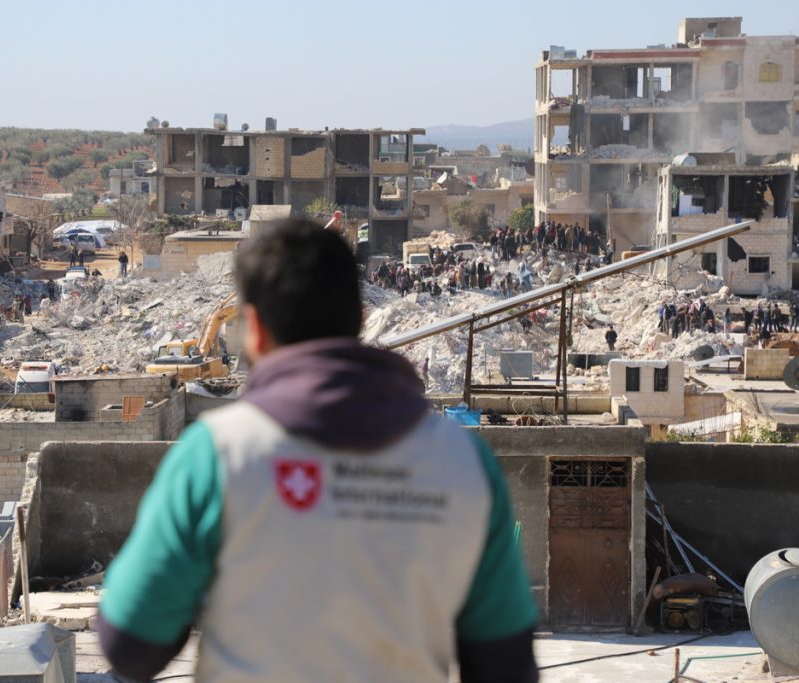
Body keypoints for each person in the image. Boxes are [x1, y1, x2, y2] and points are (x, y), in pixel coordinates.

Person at [97, 219, 538, 683]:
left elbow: (130, 643)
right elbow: (505, 664)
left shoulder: (217, 454)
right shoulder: (463, 463)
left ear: (257, 331)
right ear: (360, 318)